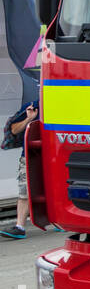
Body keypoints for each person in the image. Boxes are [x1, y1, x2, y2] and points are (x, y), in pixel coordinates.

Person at [2, 101, 39, 239]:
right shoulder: (32, 106)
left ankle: (59, 222)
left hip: (53, 156)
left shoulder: (61, 106)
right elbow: (14, 130)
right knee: (24, 190)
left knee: (55, 188)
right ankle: (20, 227)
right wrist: (29, 118)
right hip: (29, 157)